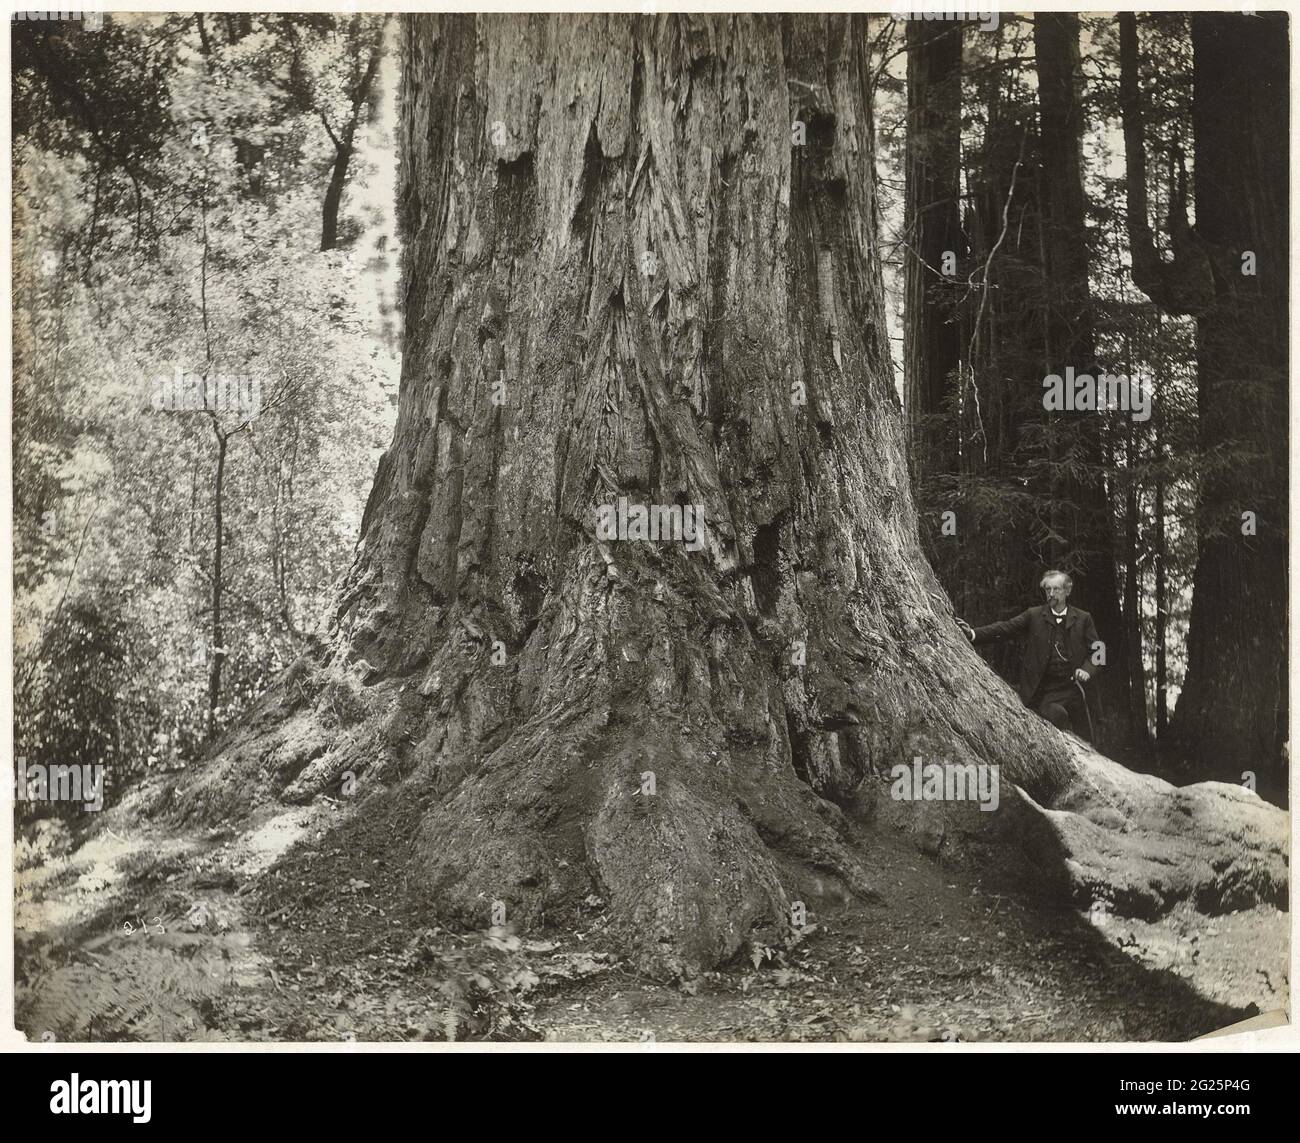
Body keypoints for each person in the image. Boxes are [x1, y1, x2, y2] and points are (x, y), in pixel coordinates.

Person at [957, 570, 1100, 742]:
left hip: (1074, 689)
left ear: (1068, 591)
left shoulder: (1084, 618)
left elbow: (1099, 651)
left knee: (1088, 737)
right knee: (1057, 716)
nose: (1051, 594)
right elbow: (1006, 628)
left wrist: (1087, 670)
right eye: (1048, 590)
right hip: (1044, 691)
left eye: (1056, 589)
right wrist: (973, 634)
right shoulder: (1034, 615)